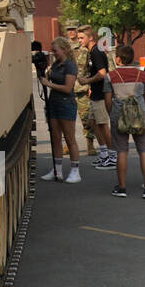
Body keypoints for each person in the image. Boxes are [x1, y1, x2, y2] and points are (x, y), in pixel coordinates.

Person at [104, 44, 145, 198]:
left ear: (118, 59)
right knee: (144, 151)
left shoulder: (111, 76)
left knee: (121, 151)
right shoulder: (142, 75)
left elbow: (108, 100)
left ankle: (122, 187)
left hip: (119, 116)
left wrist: (113, 115)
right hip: (140, 116)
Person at [38, 36, 82, 183]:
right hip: (54, 103)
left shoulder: (70, 66)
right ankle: (57, 169)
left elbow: (68, 88)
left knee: (69, 138)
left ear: (63, 49)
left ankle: (75, 171)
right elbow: (47, 77)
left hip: (65, 103)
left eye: (55, 50)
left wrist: (49, 85)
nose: (53, 53)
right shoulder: (56, 65)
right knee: (55, 138)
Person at [78, 26, 115, 170]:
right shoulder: (92, 51)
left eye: (82, 38)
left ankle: (113, 156)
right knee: (93, 122)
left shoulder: (96, 52)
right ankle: (104, 154)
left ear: (91, 38)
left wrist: (87, 81)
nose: (80, 40)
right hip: (95, 94)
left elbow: (102, 73)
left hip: (101, 95)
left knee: (103, 125)